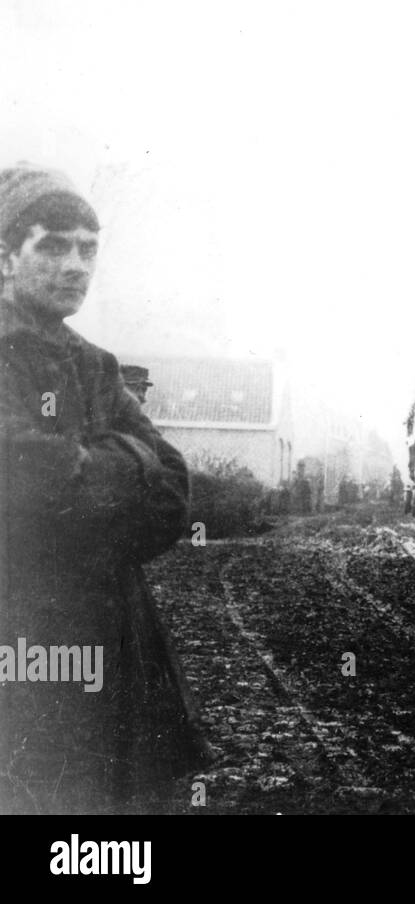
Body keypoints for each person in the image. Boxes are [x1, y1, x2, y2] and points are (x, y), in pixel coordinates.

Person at [0, 163, 209, 812]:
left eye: (88, 249)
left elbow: (174, 491)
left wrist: (85, 467)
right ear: (5, 256)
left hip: (110, 634)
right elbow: (24, 478)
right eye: (53, 245)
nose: (75, 266)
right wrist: (124, 462)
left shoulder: (94, 363)